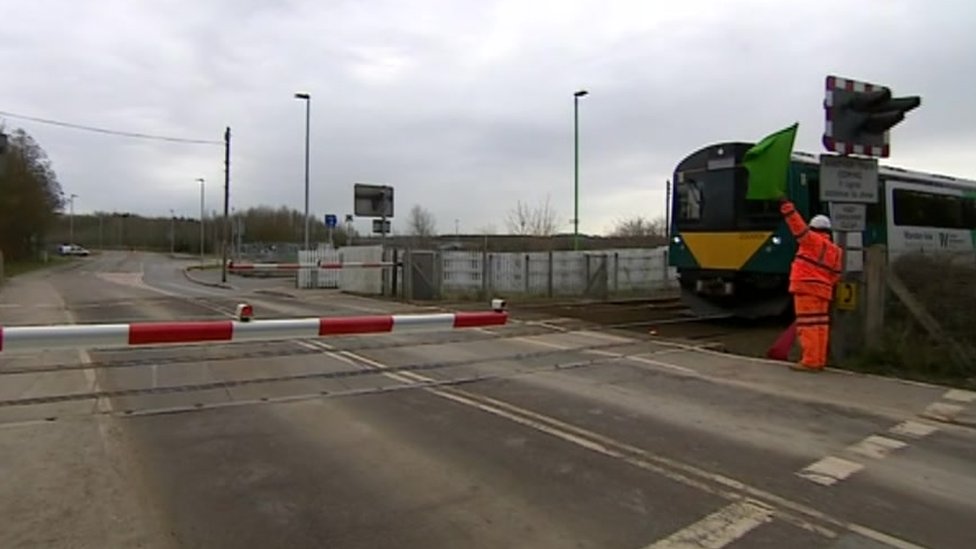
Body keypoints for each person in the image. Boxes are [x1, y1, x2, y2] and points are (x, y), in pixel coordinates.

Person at [778, 195, 843, 371]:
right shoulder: (836, 251)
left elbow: (796, 224)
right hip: (824, 291)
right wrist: (824, 285)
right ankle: (819, 360)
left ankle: (810, 361)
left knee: (808, 325)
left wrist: (786, 206)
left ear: (813, 228)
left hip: (806, 289)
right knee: (821, 325)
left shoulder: (811, 240)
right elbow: (836, 275)